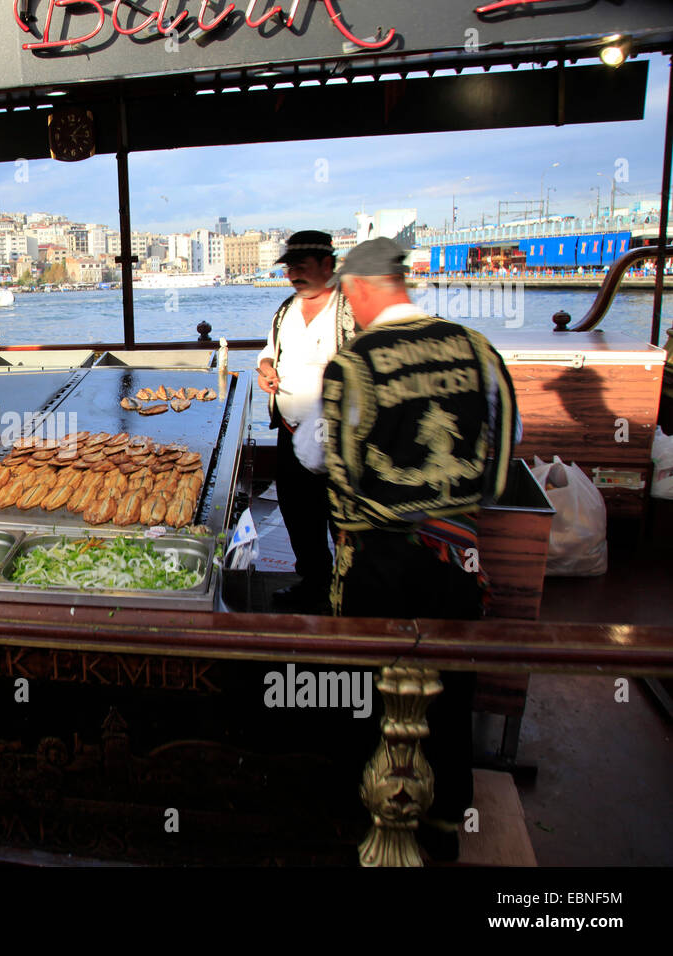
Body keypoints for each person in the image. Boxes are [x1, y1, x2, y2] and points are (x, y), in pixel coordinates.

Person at [297, 236, 520, 861]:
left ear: (361, 288)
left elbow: (315, 454)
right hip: (458, 558)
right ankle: (445, 829)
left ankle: (368, 826)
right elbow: (505, 449)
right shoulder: (478, 350)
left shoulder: (354, 365)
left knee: (369, 694)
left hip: (378, 567)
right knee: (450, 694)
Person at [255, 230, 356, 612]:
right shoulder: (286, 310)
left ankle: (349, 595)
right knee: (299, 516)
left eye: (301, 266)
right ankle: (314, 584)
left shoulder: (349, 310)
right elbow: (270, 352)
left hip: (340, 439)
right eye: (289, 267)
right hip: (292, 433)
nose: (292, 274)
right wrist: (266, 368)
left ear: (327, 265)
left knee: (344, 519)